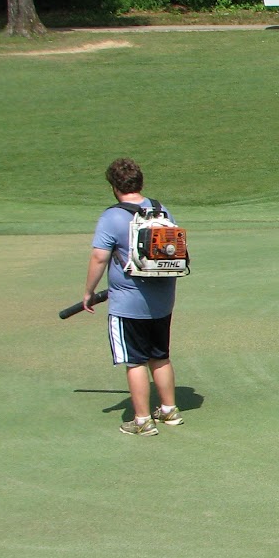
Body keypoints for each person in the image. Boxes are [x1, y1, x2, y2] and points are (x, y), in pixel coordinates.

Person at [83, 158, 183, 434]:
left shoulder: (112, 216)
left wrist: (89, 292)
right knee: (160, 355)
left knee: (135, 360)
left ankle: (141, 420)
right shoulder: (161, 210)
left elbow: (99, 257)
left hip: (128, 302)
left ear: (115, 187)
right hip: (163, 299)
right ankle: (169, 410)